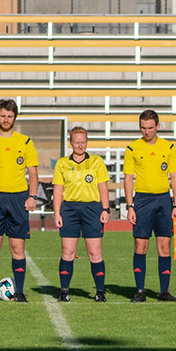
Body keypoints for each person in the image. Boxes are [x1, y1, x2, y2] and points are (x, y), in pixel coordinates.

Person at [0, 99, 40, 303]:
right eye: (3, 115)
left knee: (17, 248)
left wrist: (32, 195)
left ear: (15, 118)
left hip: (19, 199)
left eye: (10, 116)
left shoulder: (25, 142)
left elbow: (33, 173)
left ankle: (19, 292)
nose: (6, 119)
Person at [123, 108, 176, 303]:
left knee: (164, 246)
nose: (146, 131)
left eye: (150, 127)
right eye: (143, 128)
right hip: (141, 201)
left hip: (164, 201)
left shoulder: (169, 148)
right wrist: (130, 206)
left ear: (157, 126)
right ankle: (140, 291)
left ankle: (164, 291)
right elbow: (128, 178)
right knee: (141, 245)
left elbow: (174, 176)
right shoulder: (132, 149)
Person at [56, 126, 113, 302]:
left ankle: (100, 291)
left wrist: (105, 209)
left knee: (94, 252)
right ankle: (64, 291)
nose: (80, 145)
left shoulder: (96, 162)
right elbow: (58, 190)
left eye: (83, 142)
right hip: (69, 210)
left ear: (86, 142)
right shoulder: (62, 163)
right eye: (76, 142)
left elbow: (103, 187)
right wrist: (57, 213)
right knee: (68, 252)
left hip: (92, 210)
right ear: (71, 143)